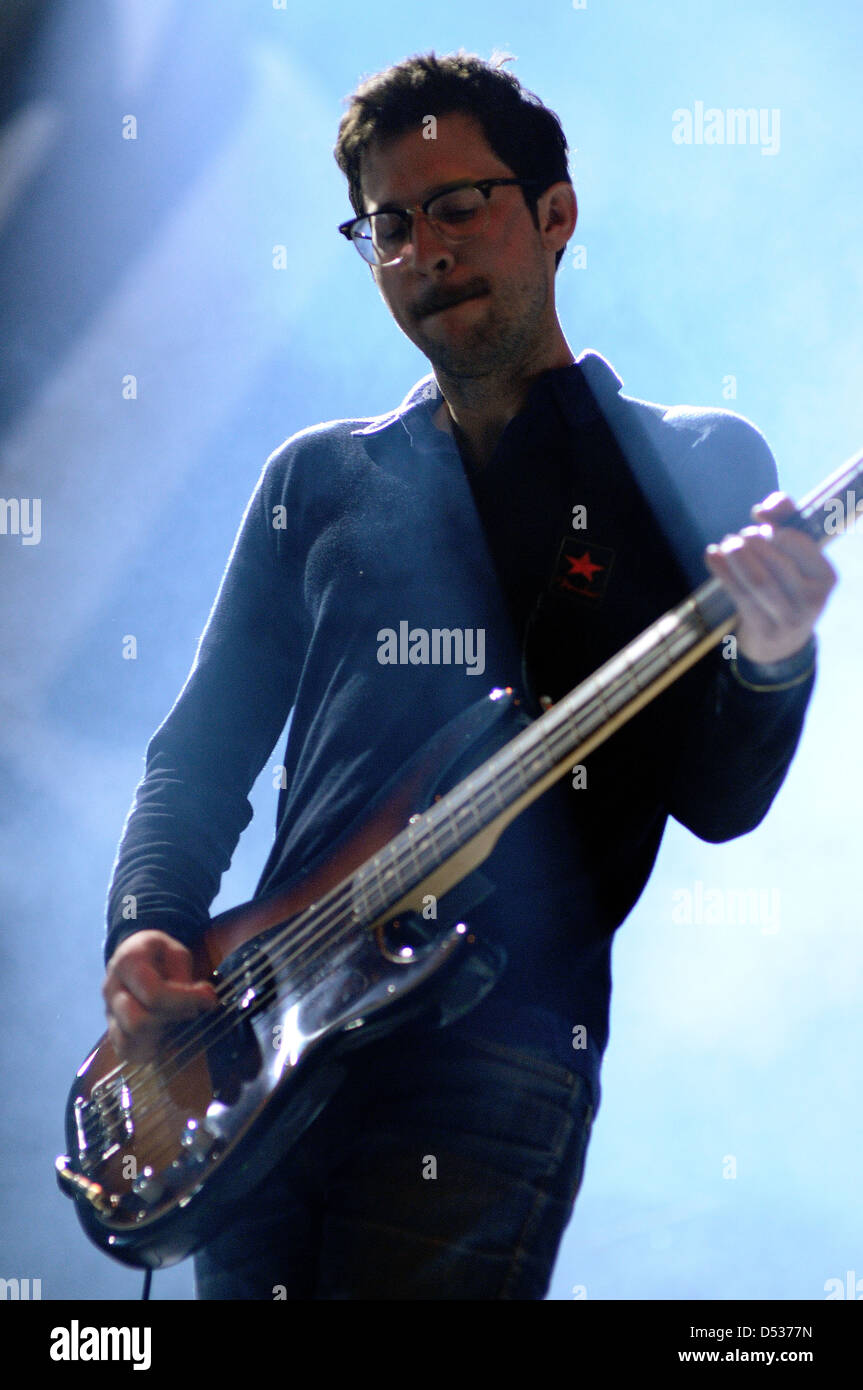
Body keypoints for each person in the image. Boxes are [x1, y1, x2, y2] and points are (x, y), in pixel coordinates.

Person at [101, 52, 836, 1299]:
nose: (420, 248)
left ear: (553, 214)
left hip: (492, 1049)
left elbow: (716, 798)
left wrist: (770, 659)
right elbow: (197, 754)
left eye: (455, 205)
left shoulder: (689, 462)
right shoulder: (316, 479)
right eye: (386, 224)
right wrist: (148, 934)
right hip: (263, 1040)